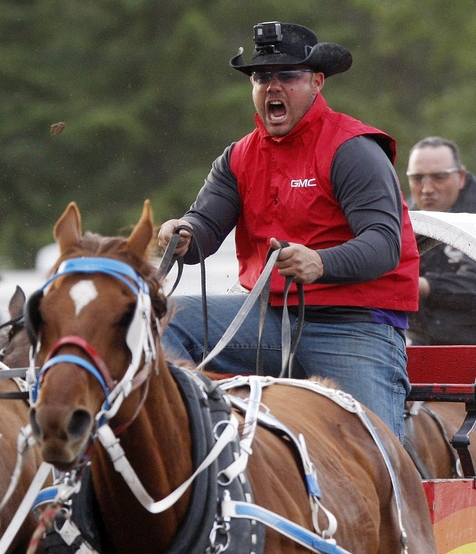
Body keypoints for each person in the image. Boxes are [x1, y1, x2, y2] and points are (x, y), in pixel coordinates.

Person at [157, 21, 419, 440]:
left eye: (288, 76)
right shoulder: (238, 156)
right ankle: (191, 445)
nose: (272, 87)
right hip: (270, 321)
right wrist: (183, 233)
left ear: (317, 82)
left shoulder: (353, 149)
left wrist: (321, 262)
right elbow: (204, 226)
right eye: (262, 77)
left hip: (354, 326)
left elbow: (384, 244)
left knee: (379, 453)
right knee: (161, 321)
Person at [405, 136, 476, 345]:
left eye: (438, 178)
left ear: (461, 177)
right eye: (417, 179)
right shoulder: (404, 218)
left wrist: (423, 286)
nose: (426, 189)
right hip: (420, 341)